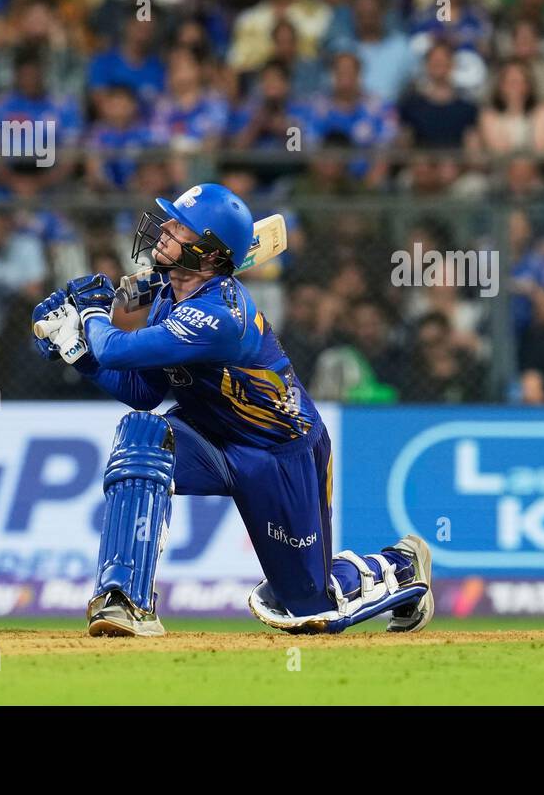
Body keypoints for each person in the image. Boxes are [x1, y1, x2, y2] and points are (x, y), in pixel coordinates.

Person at [30, 183, 432, 636]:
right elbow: (142, 392)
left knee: (307, 610)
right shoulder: (168, 296)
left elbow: (118, 350)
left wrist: (92, 317)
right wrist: (78, 354)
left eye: (180, 226)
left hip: (278, 455)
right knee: (142, 432)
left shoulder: (221, 317)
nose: (165, 229)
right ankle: (124, 598)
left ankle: (400, 567)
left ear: (208, 253)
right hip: (207, 435)